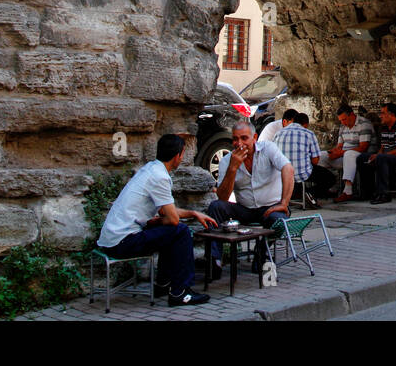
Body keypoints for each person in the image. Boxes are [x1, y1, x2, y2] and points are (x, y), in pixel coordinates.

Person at [97, 133, 214, 306]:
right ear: (178, 156)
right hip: (121, 242)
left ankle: (163, 284)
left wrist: (193, 214)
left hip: (113, 239)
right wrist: (161, 221)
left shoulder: (151, 169)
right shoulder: (159, 177)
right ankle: (181, 293)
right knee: (180, 231)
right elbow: (173, 219)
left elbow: (167, 212)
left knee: (169, 233)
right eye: (182, 154)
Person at [208, 121, 293, 271]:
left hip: (270, 208)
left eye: (244, 138)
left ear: (254, 137)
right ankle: (215, 260)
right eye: (235, 139)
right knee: (216, 207)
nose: (239, 143)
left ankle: (261, 252)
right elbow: (222, 197)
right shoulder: (227, 161)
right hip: (245, 209)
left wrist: (284, 203)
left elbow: (288, 169)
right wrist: (232, 169)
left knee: (280, 221)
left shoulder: (268, 149)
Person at [275, 111, 336, 207]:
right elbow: (315, 161)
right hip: (302, 174)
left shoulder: (278, 134)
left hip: (282, 174)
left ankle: (299, 194)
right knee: (330, 178)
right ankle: (310, 193)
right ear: (306, 124)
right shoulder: (309, 134)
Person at [367, 103, 396, 204]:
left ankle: (384, 194)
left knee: (381, 158)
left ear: (391, 114)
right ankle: (367, 192)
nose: (381, 116)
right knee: (363, 157)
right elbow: (383, 147)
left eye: (383, 113)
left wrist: (380, 156)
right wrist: (376, 155)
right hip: (389, 158)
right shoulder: (385, 128)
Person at [326, 104, 375, 202]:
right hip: (345, 155)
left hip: (361, 155)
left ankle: (347, 191)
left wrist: (341, 153)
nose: (343, 122)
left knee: (349, 154)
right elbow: (339, 146)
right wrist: (333, 152)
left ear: (351, 115)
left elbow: (363, 147)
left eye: (344, 119)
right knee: (322, 156)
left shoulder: (363, 123)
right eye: (341, 120)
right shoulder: (343, 127)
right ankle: (325, 188)